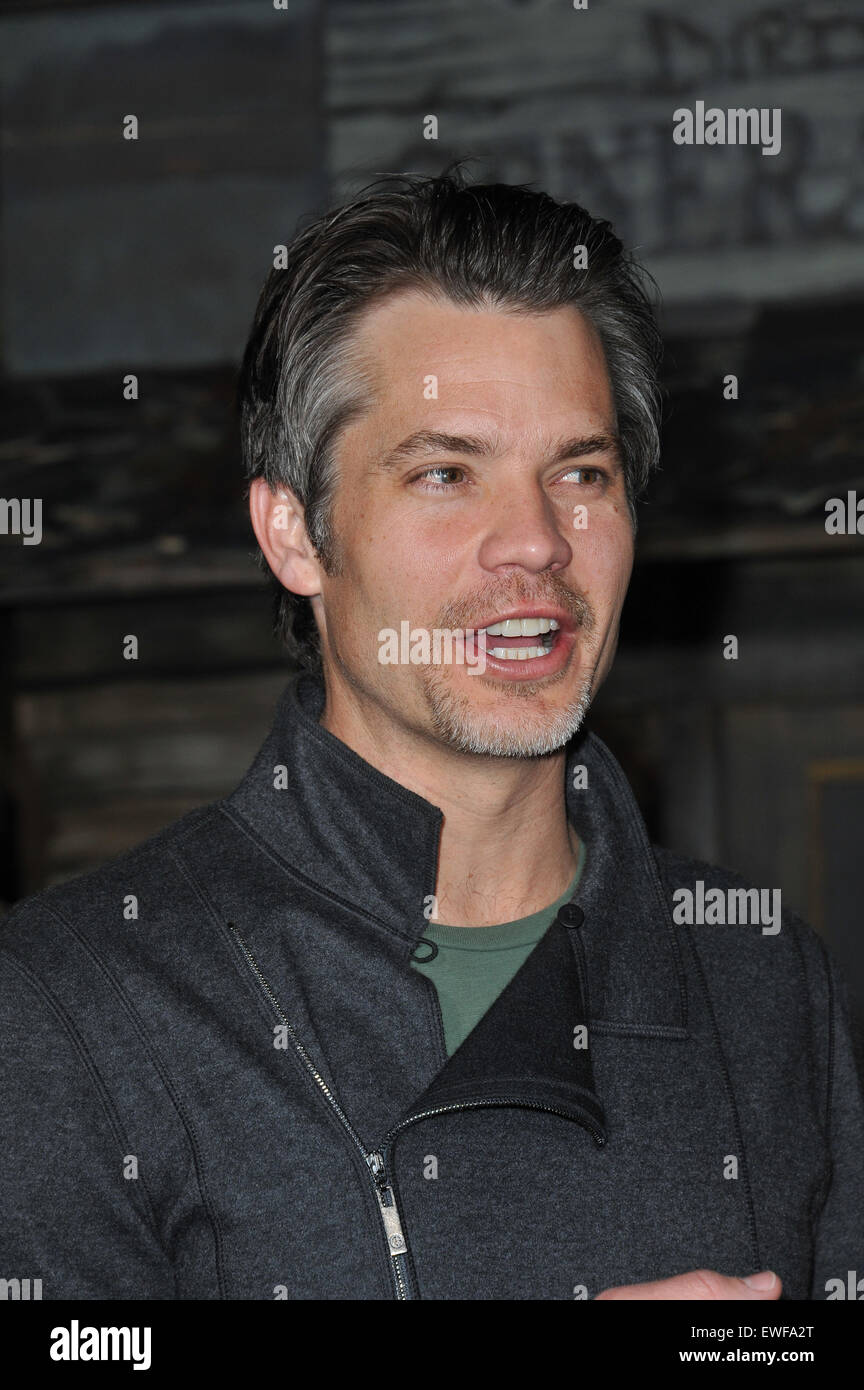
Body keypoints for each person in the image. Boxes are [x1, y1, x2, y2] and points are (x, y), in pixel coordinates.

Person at [1, 168, 861, 1301]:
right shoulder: (71, 1001)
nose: (537, 542)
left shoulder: (759, 975)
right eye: (448, 472)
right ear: (297, 534)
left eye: (582, 472)